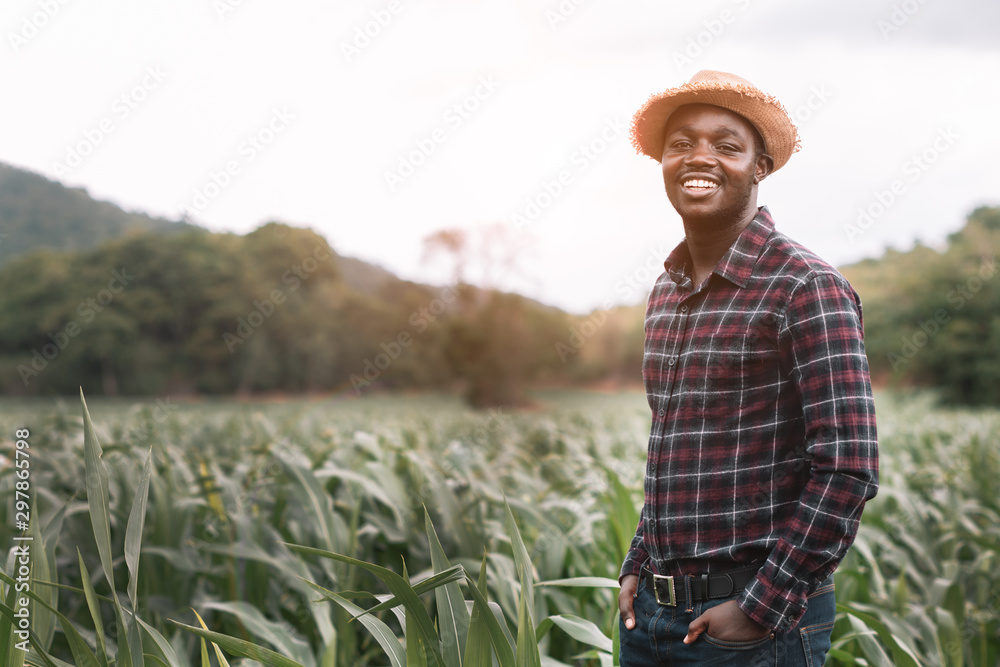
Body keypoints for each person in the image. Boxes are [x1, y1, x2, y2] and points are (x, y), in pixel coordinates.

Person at [616, 70, 879, 665]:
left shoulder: (805, 287)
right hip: (652, 617)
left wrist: (761, 606)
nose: (699, 157)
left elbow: (848, 468)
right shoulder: (667, 290)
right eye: (681, 143)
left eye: (726, 146)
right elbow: (676, 448)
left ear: (759, 167)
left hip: (754, 626)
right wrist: (638, 562)